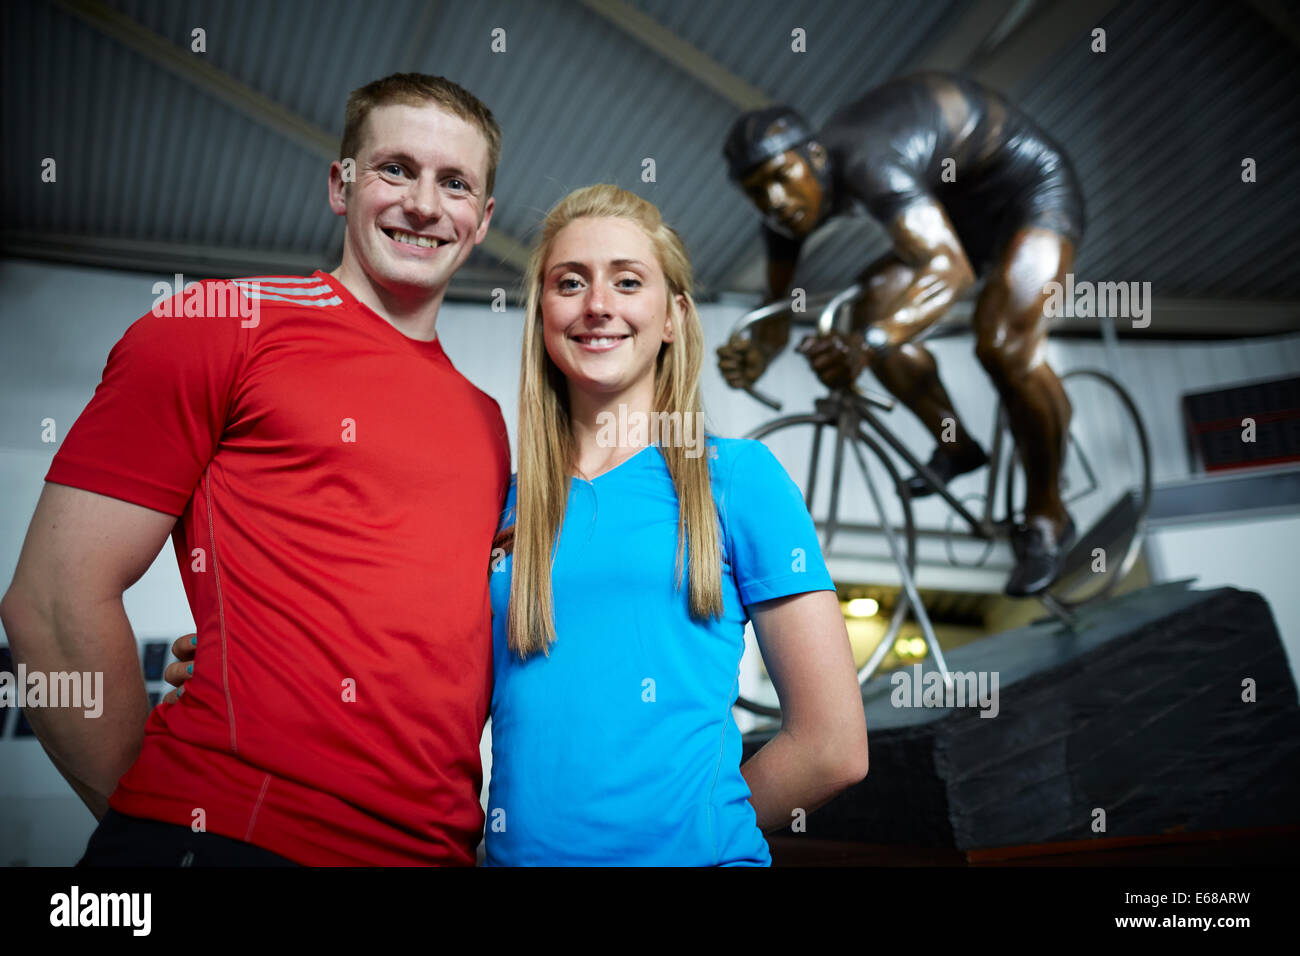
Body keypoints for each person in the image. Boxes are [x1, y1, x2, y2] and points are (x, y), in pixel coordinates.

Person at [166, 184, 871, 866]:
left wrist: (688, 831)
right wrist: (249, 658)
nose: (598, 306)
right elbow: (404, 665)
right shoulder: (495, 506)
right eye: (570, 283)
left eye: (628, 283)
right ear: (541, 314)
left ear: (674, 317)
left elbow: (832, 745)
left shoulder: (740, 479)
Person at [0, 73, 510, 866]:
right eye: (395, 169)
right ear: (340, 186)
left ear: (481, 221)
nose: (422, 204)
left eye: (455, 183)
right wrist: (158, 819)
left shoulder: (488, 426)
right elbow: (52, 603)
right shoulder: (216, 325)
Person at [716, 71, 1086, 597]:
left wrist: (868, 346)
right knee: (867, 313)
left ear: (815, 157)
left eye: (781, 176)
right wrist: (757, 353)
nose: (773, 200)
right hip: (951, 209)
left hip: (1032, 195)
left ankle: (1049, 516)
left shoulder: (869, 162)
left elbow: (949, 269)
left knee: (1003, 346)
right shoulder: (783, 216)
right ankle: (956, 446)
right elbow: (776, 314)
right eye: (757, 193)